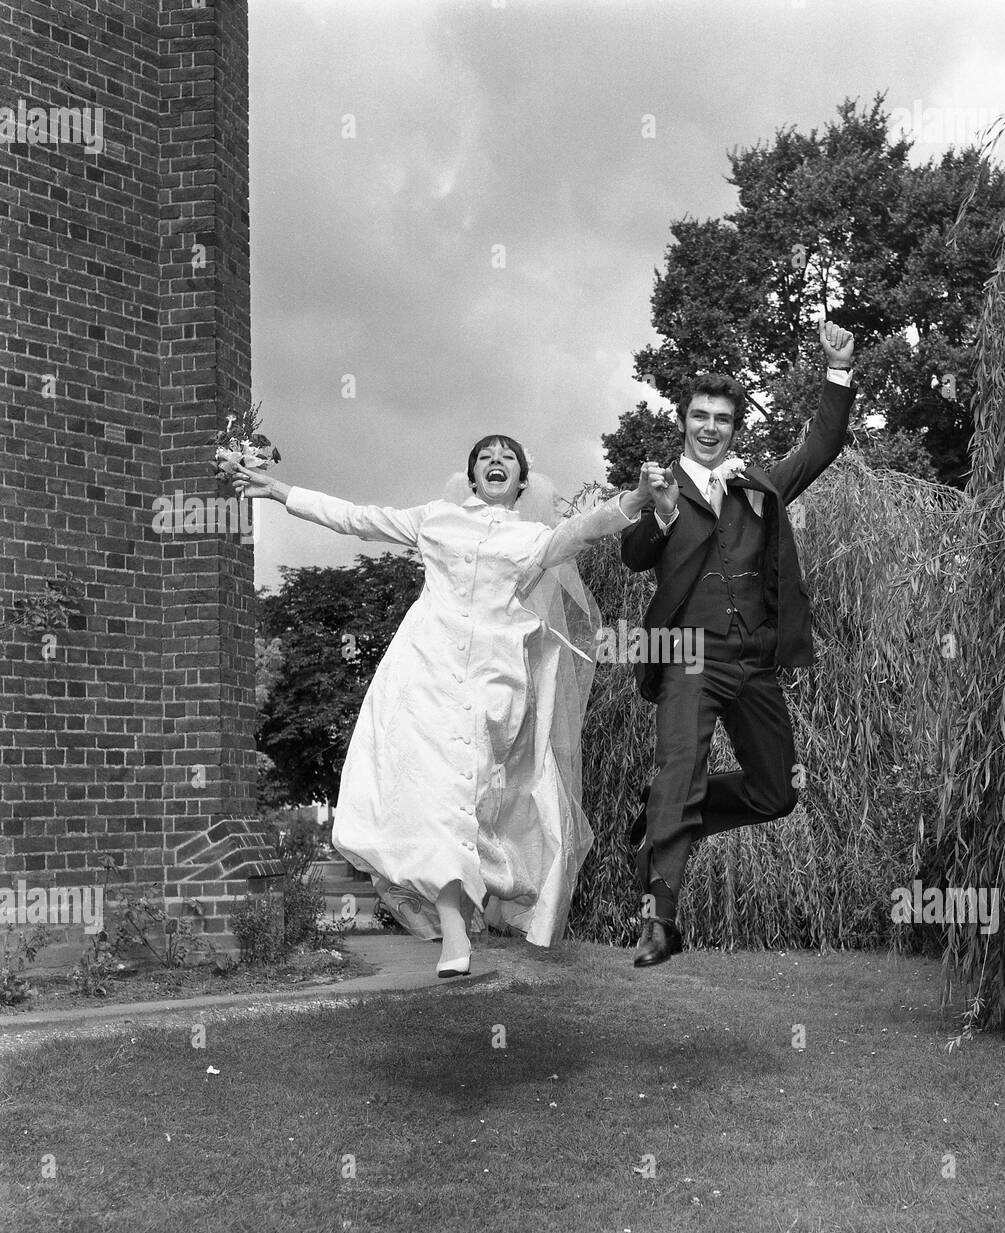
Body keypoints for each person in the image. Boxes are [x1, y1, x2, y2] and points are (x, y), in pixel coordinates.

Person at [230, 438, 654, 977]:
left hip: (495, 685)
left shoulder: (535, 538)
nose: (496, 462)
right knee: (438, 796)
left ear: (523, 482)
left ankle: (479, 893)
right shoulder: (436, 520)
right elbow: (357, 518)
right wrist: (279, 491)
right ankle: (455, 932)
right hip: (424, 672)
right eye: (485, 457)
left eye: (508, 458)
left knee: (469, 797)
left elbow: (586, 528)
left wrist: (637, 498)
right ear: (472, 476)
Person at [620, 320, 857, 966]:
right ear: (684, 422)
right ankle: (658, 919)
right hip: (688, 658)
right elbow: (632, 554)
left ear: (734, 427)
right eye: (699, 415)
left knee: (778, 791)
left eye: (721, 418)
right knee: (680, 772)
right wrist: (662, 513)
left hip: (753, 661)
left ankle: (669, 809)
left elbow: (822, 445)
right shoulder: (660, 488)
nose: (709, 426)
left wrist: (837, 371)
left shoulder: (762, 485)